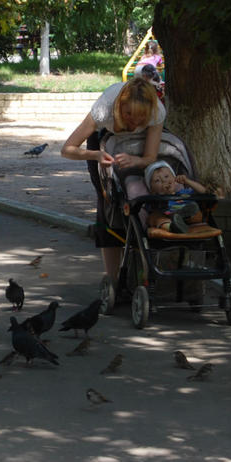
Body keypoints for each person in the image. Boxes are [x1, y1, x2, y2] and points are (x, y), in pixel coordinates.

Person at [61, 77, 165, 302]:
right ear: (119, 106)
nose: (133, 122)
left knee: (142, 200)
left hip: (137, 148)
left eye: (140, 118)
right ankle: (113, 279)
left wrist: (136, 161)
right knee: (109, 202)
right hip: (102, 144)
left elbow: (150, 157)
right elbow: (67, 149)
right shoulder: (104, 108)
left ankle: (141, 270)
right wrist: (96, 155)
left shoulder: (157, 113)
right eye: (128, 115)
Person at [143, 160, 207, 233]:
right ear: (152, 190)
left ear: (174, 179)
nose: (164, 181)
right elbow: (146, 211)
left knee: (193, 207)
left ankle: (182, 217)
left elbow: (203, 191)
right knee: (155, 217)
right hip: (167, 217)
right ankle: (173, 226)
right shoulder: (154, 200)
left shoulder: (183, 193)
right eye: (157, 181)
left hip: (187, 217)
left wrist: (187, 181)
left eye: (166, 176)